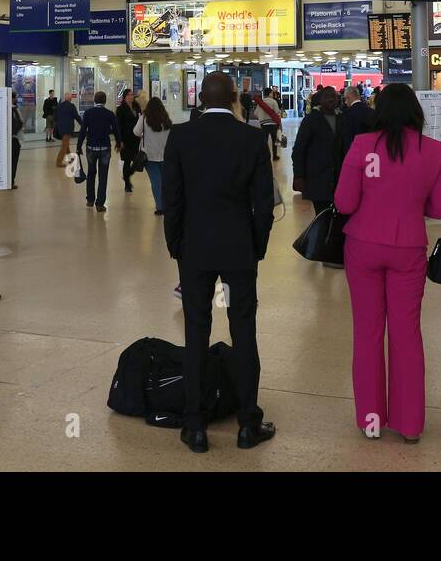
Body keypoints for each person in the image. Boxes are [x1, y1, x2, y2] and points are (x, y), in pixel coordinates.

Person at [162, 71, 276, 453]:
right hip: (238, 247)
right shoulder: (252, 139)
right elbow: (263, 204)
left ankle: (195, 425)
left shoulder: (181, 136)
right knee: (244, 330)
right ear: (233, 99)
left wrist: (175, 244)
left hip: (194, 247)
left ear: (200, 100)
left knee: (196, 332)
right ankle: (248, 423)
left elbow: (172, 197)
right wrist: (257, 246)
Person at [334, 83, 441, 442]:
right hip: (408, 249)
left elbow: (343, 203)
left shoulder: (361, 145)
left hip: (363, 247)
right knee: (406, 334)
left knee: (367, 334)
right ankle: (410, 424)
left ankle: (371, 421)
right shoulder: (432, 150)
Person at [292, 86, 348, 268]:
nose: (332, 100)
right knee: (322, 215)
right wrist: (299, 174)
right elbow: (299, 149)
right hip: (318, 176)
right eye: (328, 97)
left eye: (334, 97)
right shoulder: (312, 120)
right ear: (321, 100)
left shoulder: (342, 119)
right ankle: (323, 252)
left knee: (340, 215)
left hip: (340, 176)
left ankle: (334, 250)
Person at [77, 91, 119, 211]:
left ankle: (90, 200)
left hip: (91, 148)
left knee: (91, 174)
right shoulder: (110, 114)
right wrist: (119, 142)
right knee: (103, 175)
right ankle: (100, 203)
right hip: (105, 148)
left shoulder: (88, 113)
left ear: (94, 100)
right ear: (105, 101)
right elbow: (116, 129)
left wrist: (79, 146)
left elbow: (83, 130)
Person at [134, 96, 173, 214]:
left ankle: (160, 207)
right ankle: (167, 204)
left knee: (156, 182)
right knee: (165, 182)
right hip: (165, 155)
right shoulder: (166, 119)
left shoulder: (144, 118)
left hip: (149, 156)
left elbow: (136, 131)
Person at [116, 89, 142, 194]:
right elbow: (118, 126)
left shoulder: (136, 107)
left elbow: (140, 120)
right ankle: (127, 184)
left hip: (136, 138)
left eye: (132, 95)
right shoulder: (120, 109)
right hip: (126, 139)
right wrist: (120, 140)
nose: (131, 97)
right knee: (127, 161)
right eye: (129, 95)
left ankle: (127, 175)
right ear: (125, 96)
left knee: (137, 160)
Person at [252, 86, 284, 161]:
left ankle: (265, 157)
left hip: (264, 124)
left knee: (265, 141)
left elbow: (256, 113)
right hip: (273, 124)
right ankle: (275, 156)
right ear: (270, 93)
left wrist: (262, 116)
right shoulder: (273, 102)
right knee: (274, 141)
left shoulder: (261, 102)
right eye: (272, 93)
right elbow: (277, 112)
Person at [53, 92, 79, 167]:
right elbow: (77, 117)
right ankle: (59, 161)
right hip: (68, 128)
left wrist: (58, 124)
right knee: (64, 145)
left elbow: (55, 117)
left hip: (61, 128)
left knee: (66, 144)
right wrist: (83, 125)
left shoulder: (59, 106)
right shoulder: (71, 106)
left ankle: (71, 159)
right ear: (70, 99)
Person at [10, 90, 23, 189]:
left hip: (6, 140)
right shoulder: (14, 109)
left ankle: (6, 181)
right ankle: (11, 182)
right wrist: (13, 132)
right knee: (13, 162)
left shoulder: (2, 108)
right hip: (13, 139)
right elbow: (20, 122)